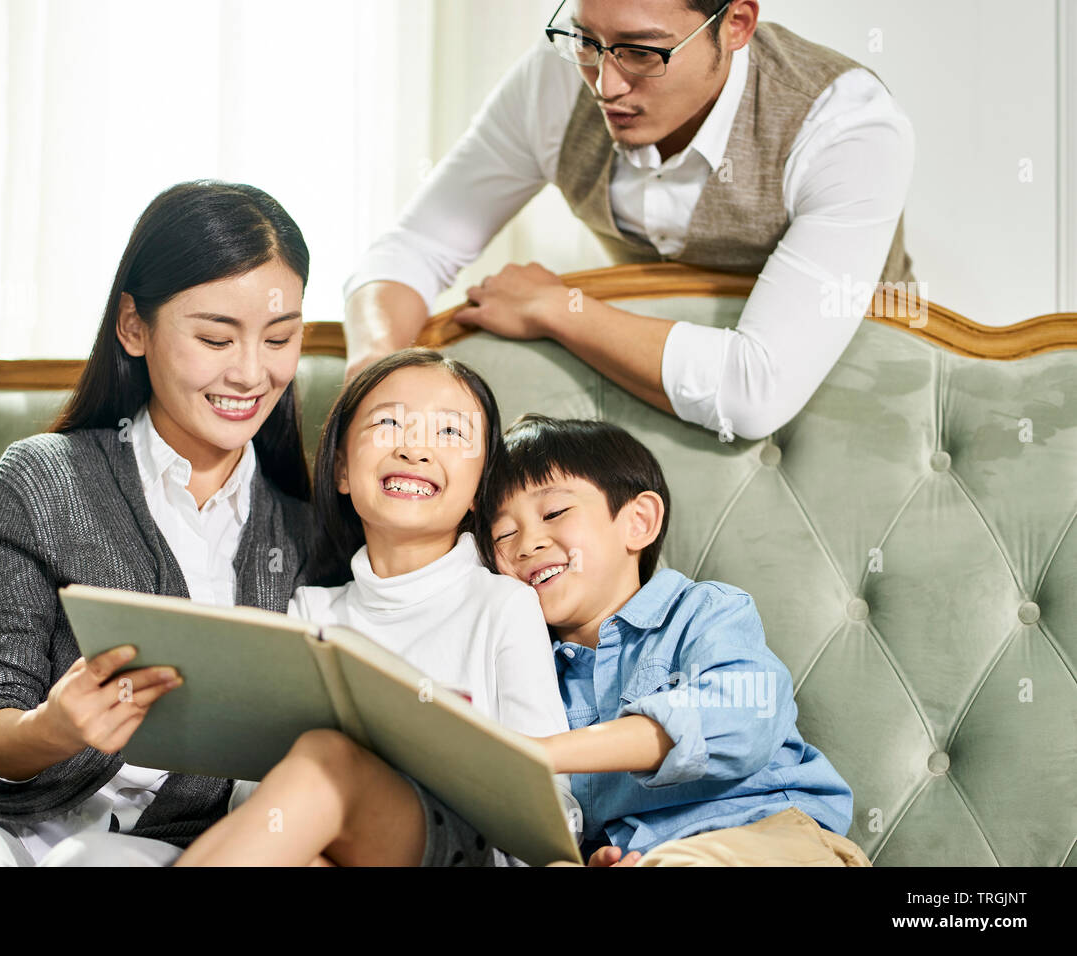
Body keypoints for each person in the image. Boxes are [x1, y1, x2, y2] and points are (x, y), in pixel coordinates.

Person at [0, 180, 347, 867]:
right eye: (215, 337)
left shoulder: (305, 535)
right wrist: (52, 728)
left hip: (154, 851)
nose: (252, 372)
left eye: (280, 338)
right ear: (134, 326)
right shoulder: (42, 479)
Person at [343, 0, 916, 443]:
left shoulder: (846, 126)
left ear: (737, 23)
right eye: (589, 41)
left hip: (860, 409)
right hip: (653, 405)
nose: (606, 84)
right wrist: (373, 376)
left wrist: (555, 308)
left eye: (643, 52)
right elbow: (415, 244)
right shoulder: (556, 81)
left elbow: (754, 391)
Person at [174, 349, 572, 867]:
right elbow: (252, 796)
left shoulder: (505, 606)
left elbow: (555, 802)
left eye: (451, 433)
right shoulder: (309, 613)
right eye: (388, 423)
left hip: (469, 852)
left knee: (327, 756)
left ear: (480, 490)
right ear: (341, 468)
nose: (415, 448)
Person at [484, 413, 870, 865]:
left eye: (553, 512)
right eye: (502, 534)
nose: (526, 544)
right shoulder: (535, 677)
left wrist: (540, 754)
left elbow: (746, 714)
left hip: (770, 834)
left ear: (638, 521)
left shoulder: (703, 612)